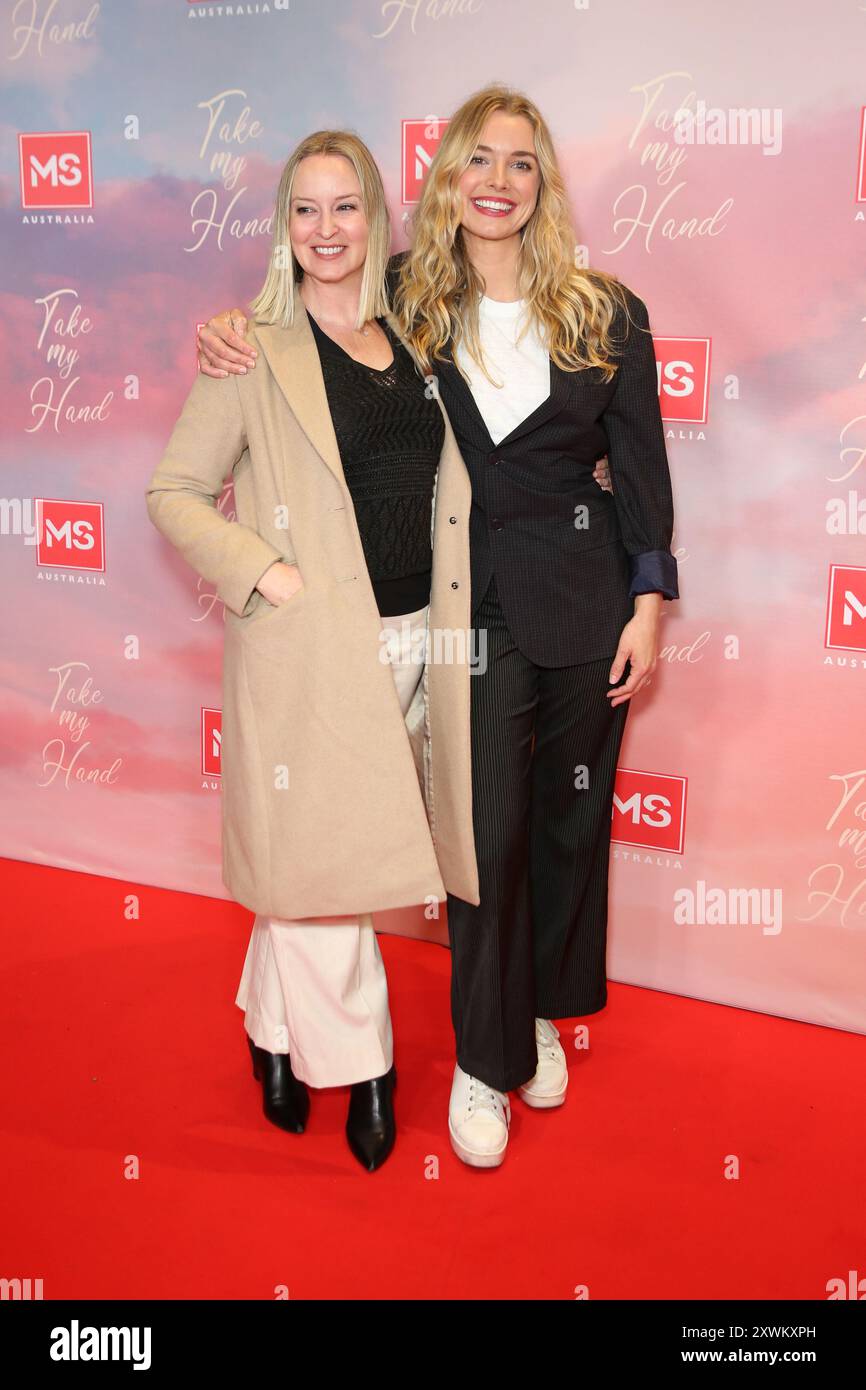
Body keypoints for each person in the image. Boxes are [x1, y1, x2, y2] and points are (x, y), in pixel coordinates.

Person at [197, 85, 678, 1170]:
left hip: (586, 602)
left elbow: (642, 473)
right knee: (483, 841)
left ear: (540, 182)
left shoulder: (607, 310)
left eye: (518, 162)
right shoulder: (406, 296)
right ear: (447, 179)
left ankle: (545, 1013)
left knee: (568, 828)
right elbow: (305, 311)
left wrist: (647, 602)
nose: (496, 182)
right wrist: (233, 324)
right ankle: (482, 1059)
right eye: (477, 160)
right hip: (470, 616)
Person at [145, 130, 480, 1173]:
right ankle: (366, 1070)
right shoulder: (249, 344)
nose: (325, 229)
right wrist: (263, 575)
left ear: (375, 217)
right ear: (282, 223)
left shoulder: (420, 330)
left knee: (307, 860)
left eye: (344, 208)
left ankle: (270, 1031)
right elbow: (174, 493)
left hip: (425, 637)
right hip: (310, 649)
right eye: (304, 209)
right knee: (329, 872)